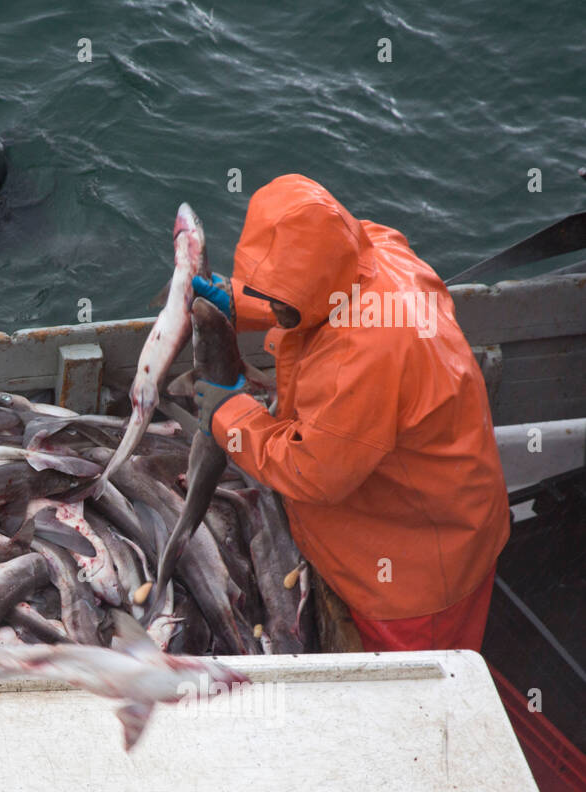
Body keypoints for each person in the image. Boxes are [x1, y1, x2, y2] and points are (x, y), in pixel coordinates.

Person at [189, 174, 509, 653]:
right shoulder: (376, 246)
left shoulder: (363, 358)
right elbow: (314, 285)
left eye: (276, 299)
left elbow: (312, 472)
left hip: (416, 580)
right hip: (444, 499)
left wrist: (229, 414)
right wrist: (239, 300)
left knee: (417, 701)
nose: (273, 304)